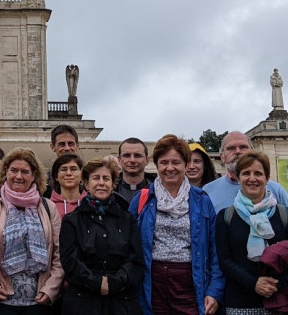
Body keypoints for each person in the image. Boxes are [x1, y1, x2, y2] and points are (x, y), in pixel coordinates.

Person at [129, 134, 223, 315]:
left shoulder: (202, 201)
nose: (170, 168)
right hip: (152, 284)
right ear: (156, 165)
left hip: (191, 283)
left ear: (186, 165)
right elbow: (130, 247)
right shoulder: (142, 199)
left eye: (176, 162)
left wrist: (214, 291)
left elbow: (214, 249)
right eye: (164, 162)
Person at [215, 151, 288, 314]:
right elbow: (224, 260)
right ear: (238, 178)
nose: (252, 178)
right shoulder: (226, 216)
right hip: (239, 304)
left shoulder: (284, 214)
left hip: (280, 302)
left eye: (258, 173)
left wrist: (274, 285)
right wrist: (254, 283)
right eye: (246, 173)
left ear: (267, 178)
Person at [0, 148, 64, 315]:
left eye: (25, 172)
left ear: (33, 175)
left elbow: (60, 253)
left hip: (39, 302)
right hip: (0, 302)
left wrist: (51, 289)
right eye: (13, 170)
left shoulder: (48, 207)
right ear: (6, 172)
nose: (18, 176)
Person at [59, 157, 143, 315]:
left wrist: (114, 282)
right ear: (86, 183)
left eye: (106, 178)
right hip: (82, 302)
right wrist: (96, 283)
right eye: (96, 178)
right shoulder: (72, 221)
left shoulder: (127, 219)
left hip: (121, 302)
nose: (101, 183)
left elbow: (135, 258)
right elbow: (70, 260)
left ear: (113, 184)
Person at [202, 132, 288, 214]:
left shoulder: (276, 190)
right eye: (231, 148)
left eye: (243, 147)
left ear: (253, 152)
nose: (238, 151)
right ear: (222, 157)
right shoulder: (208, 191)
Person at [116, 138, 155, 205]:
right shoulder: (109, 191)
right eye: (127, 155)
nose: (132, 160)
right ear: (119, 160)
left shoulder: (158, 191)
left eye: (137, 156)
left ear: (147, 160)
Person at [49, 154, 85, 218]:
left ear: (82, 175)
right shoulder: (47, 206)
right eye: (63, 169)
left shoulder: (91, 204)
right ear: (56, 176)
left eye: (73, 169)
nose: (68, 173)